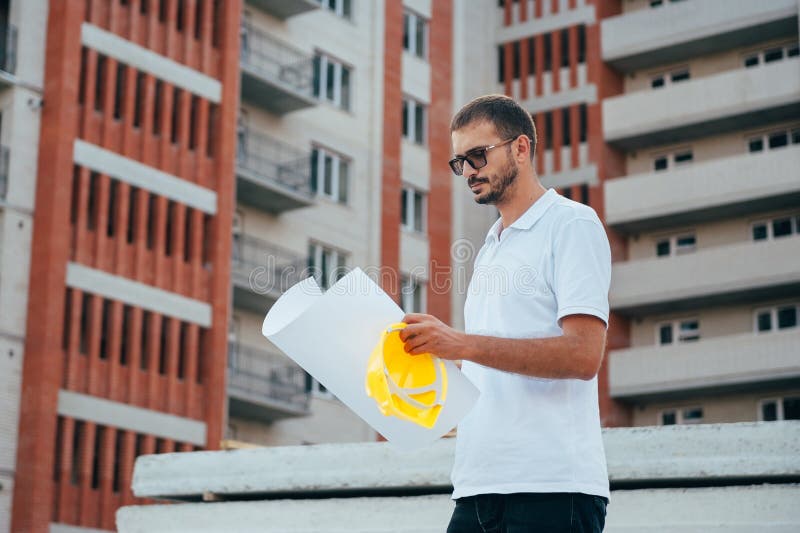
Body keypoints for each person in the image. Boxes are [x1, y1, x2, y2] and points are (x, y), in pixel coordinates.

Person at [399, 94, 610, 532]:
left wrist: (462, 344)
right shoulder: (491, 248)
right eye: (460, 162)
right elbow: (488, 361)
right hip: (477, 487)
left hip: (552, 489)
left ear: (521, 148)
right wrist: (434, 360)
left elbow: (583, 355)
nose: (468, 171)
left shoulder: (572, 224)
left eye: (478, 155)